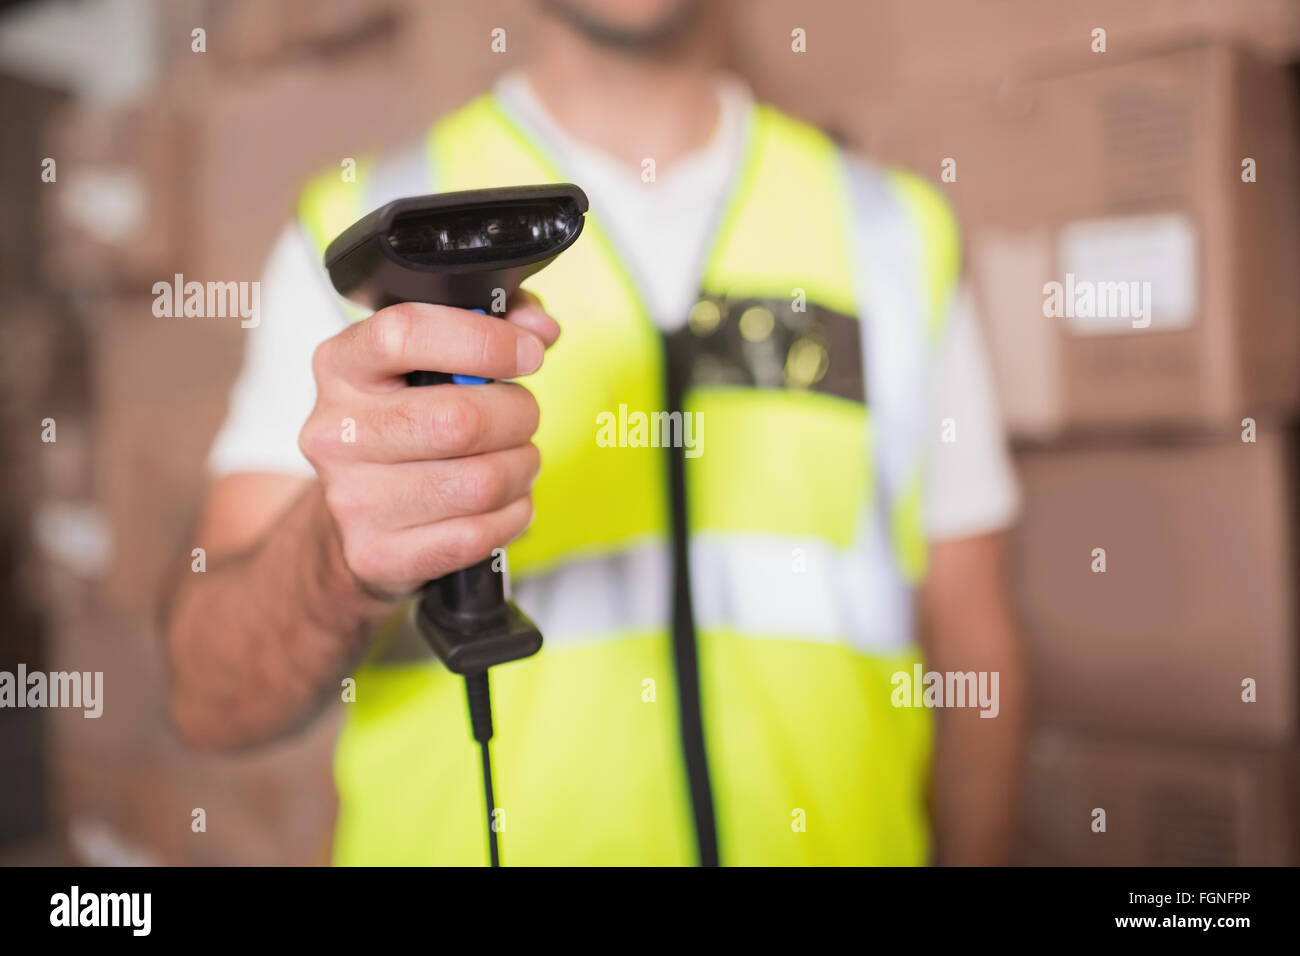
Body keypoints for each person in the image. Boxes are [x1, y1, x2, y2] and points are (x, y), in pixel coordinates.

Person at [165, 0, 1024, 865]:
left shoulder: (894, 235)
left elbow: (972, 638)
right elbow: (208, 696)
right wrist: (338, 552)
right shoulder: (351, 233)